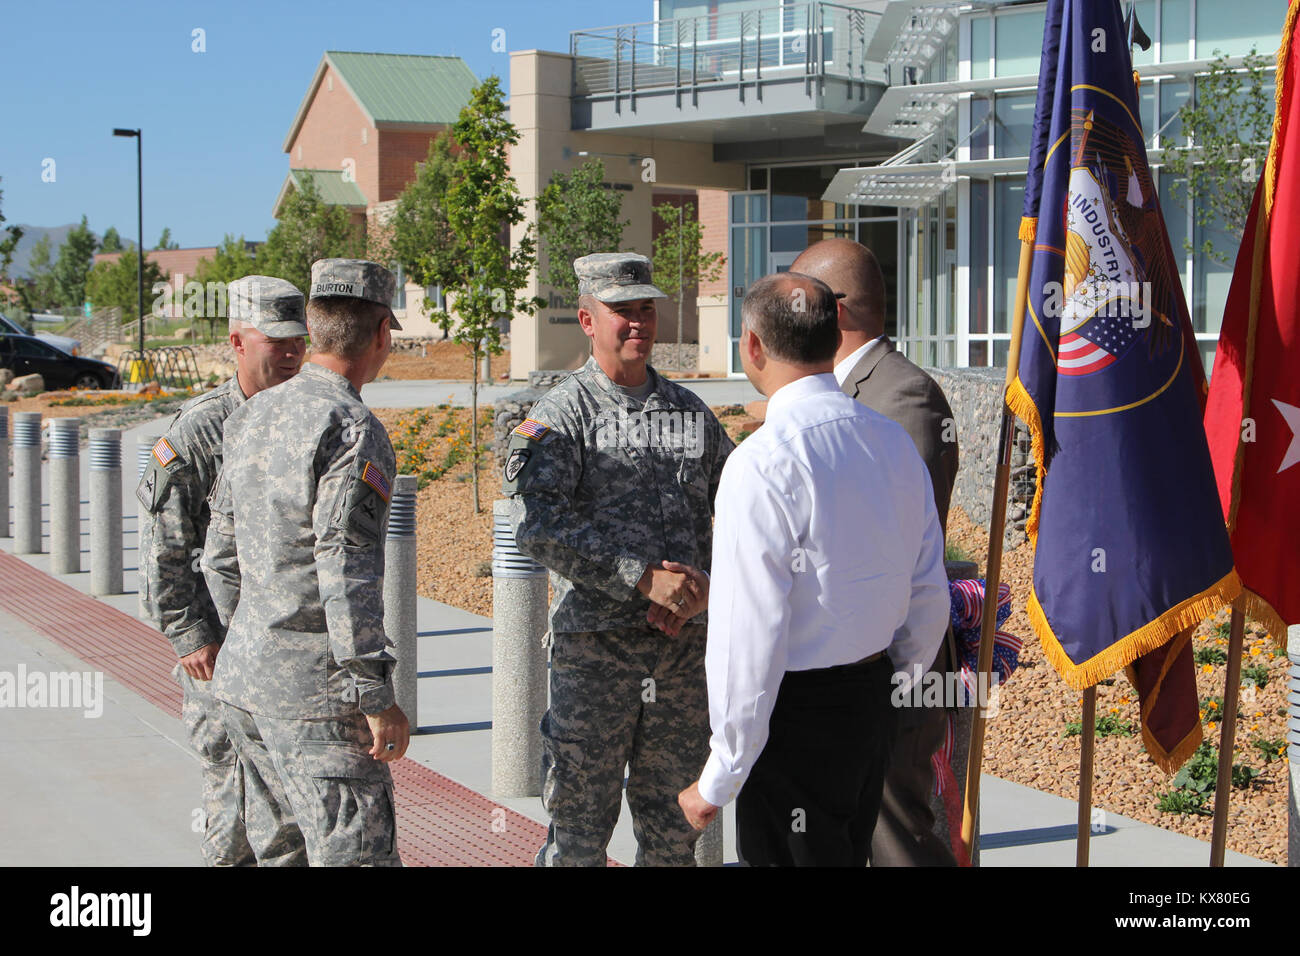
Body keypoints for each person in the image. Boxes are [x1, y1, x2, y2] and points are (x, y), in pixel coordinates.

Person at [677, 272, 949, 867]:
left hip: (795, 720)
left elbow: (748, 636)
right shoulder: (892, 441)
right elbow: (929, 590)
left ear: (752, 346)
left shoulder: (761, 463)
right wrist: (893, 681)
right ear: (833, 340)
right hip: (867, 699)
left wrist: (717, 778)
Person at [502, 252, 733, 866]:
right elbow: (540, 527)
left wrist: (704, 587)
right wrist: (642, 579)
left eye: (645, 310)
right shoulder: (562, 416)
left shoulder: (690, 413)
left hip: (681, 655)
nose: (637, 323)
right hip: (596, 658)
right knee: (579, 832)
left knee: (673, 834)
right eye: (620, 312)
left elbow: (738, 512)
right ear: (586, 318)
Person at [201, 258, 409, 867]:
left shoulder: (251, 414)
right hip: (318, 701)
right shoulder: (350, 427)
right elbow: (346, 569)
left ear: (315, 329)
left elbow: (218, 557)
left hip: (245, 688)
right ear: (381, 335)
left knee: (279, 857)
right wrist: (374, 693)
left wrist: (252, 640)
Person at [792, 237, 961, 866]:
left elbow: (897, 547)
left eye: (794, 300)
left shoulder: (901, 398)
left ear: (833, 311)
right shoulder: (838, 391)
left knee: (896, 839)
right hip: (849, 664)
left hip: (893, 663)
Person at [138, 274, 308, 867]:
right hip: (223, 648)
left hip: (286, 649)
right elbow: (165, 548)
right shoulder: (201, 430)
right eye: (275, 341)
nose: (290, 353)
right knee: (235, 798)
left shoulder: (304, 417)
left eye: (297, 341)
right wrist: (190, 636)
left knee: (290, 807)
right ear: (238, 342)